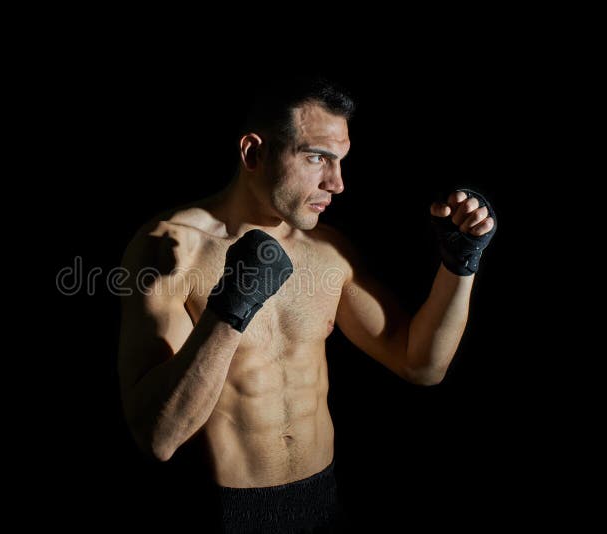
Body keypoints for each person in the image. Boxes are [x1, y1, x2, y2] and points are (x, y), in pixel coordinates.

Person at [117, 77, 496, 532]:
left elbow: (421, 364)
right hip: (222, 515)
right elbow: (158, 438)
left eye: (340, 162)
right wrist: (232, 306)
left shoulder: (328, 252)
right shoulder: (170, 249)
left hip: (322, 501)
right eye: (317, 157)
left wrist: (459, 266)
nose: (336, 184)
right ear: (253, 153)